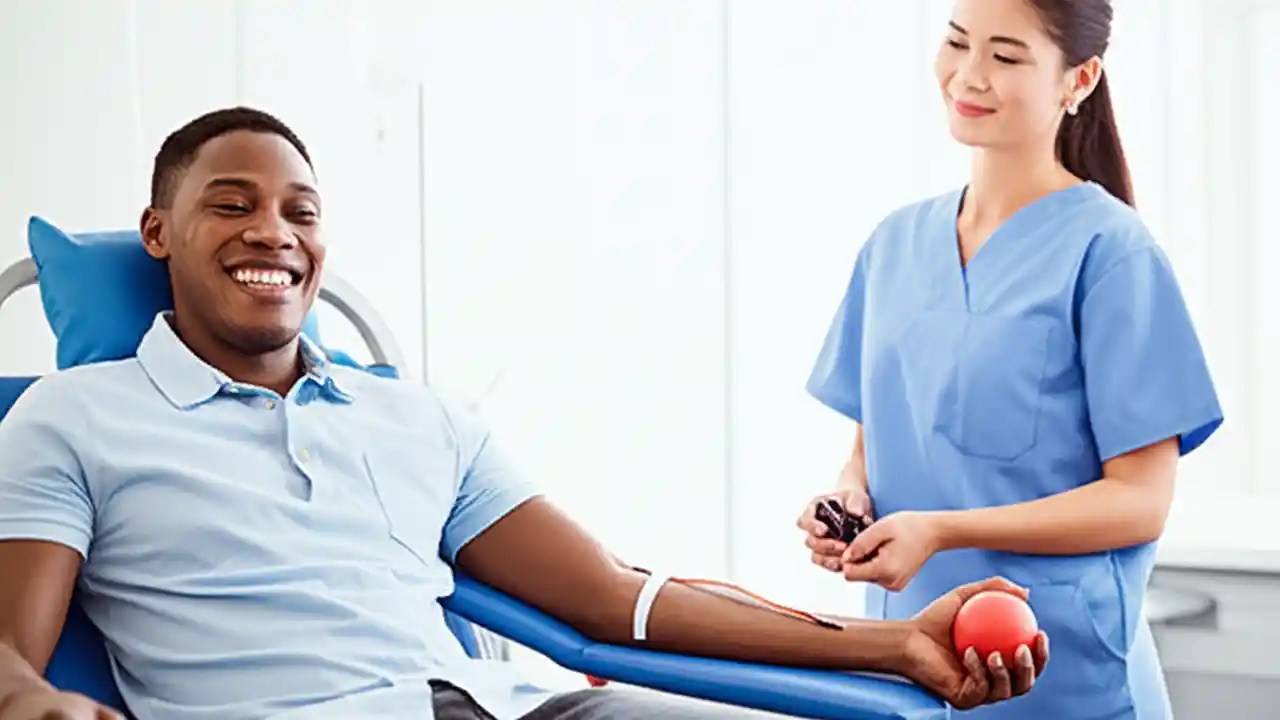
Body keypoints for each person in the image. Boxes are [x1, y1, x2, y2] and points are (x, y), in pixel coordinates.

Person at [0, 108, 1047, 720]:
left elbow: (609, 599)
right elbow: (10, 652)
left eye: (300, 212)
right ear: (156, 230)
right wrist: (32, 702)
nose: (271, 230)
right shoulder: (70, 419)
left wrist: (896, 645)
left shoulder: (417, 417)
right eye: (230, 203)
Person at [797, 0, 1221, 718]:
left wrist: (943, 530)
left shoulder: (1112, 255)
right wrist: (848, 501)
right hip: (906, 672)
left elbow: (1140, 502)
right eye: (958, 43)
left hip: (1063, 681)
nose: (969, 74)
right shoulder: (895, 245)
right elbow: (878, 443)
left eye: (1006, 55)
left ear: (1079, 79)